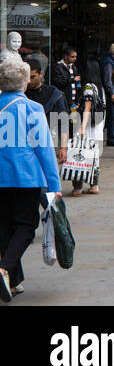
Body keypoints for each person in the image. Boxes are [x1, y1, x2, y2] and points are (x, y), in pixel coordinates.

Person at [0, 52, 64, 302]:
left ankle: (12, 281)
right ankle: (4, 269)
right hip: (25, 176)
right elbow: (44, 150)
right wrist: (54, 185)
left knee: (4, 227)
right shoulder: (32, 108)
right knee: (27, 227)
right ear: (25, 82)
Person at [24, 61, 69, 166]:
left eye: (33, 77)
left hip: (47, 143)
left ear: (41, 74)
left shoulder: (54, 94)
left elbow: (63, 122)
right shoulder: (20, 94)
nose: (29, 81)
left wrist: (63, 147)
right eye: (27, 77)